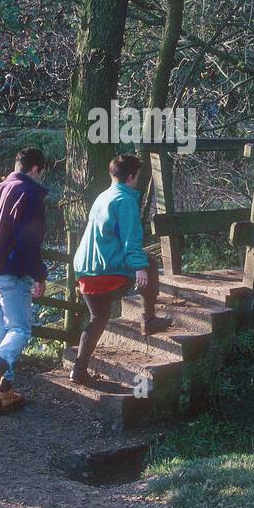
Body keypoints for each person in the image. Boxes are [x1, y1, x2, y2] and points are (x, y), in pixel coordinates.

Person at [69, 154, 172, 385]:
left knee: (98, 318)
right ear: (132, 177)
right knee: (149, 264)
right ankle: (148, 320)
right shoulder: (125, 201)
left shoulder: (103, 196)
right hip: (105, 270)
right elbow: (130, 240)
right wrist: (139, 268)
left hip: (85, 269)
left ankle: (78, 370)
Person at [0, 147, 49, 414]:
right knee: (19, 330)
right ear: (35, 169)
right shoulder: (29, 193)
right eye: (42, 172)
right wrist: (39, 274)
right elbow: (29, 240)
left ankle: (4, 392)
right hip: (10, 269)